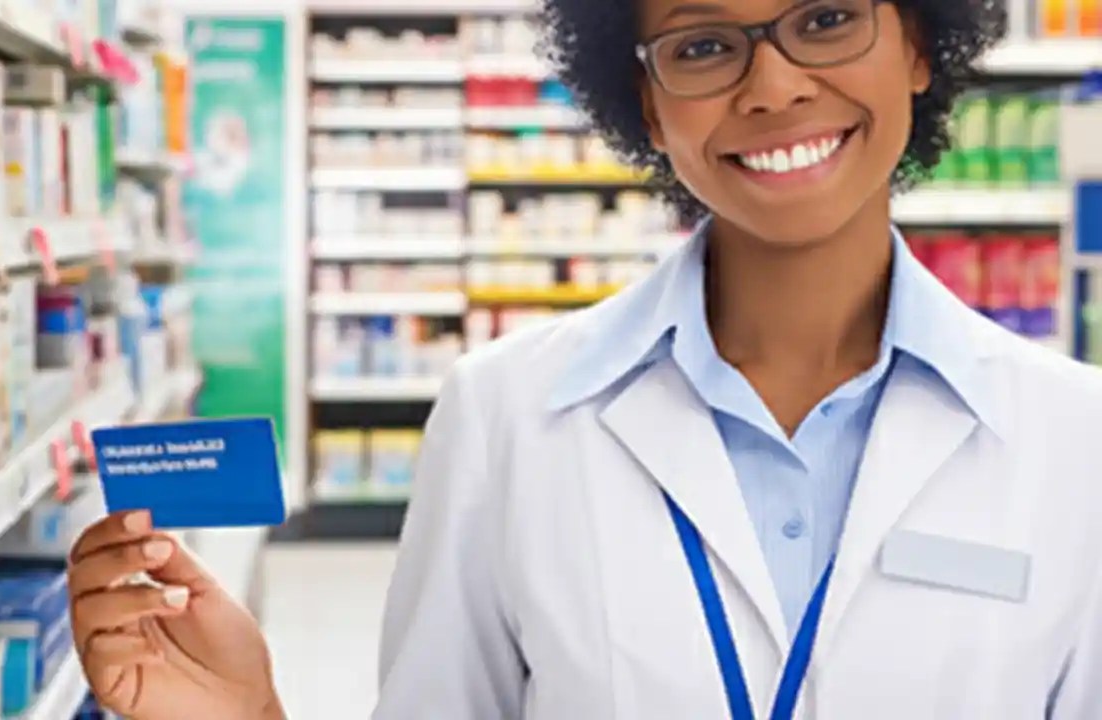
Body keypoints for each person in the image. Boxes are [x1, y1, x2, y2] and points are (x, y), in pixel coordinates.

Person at [67, 0, 1102, 717]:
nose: (774, 85)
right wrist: (248, 714)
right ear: (645, 104)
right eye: (701, 46)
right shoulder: (504, 414)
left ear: (916, 42)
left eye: (825, 19)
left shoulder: (1074, 440)